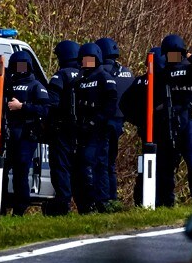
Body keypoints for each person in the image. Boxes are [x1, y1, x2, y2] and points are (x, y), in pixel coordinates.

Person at [155, 33, 192, 211]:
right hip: (171, 121)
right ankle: (168, 202)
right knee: (168, 165)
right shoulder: (163, 73)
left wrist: (189, 55)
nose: (172, 57)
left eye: (175, 53)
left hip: (188, 121)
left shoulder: (191, 67)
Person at [0, 49, 51, 215]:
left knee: (21, 172)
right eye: (16, 66)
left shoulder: (36, 86)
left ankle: (19, 209)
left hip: (26, 135)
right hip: (9, 133)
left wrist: (22, 107)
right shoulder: (7, 85)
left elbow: (44, 110)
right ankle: (0, 208)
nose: (19, 69)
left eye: (22, 65)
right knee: (3, 171)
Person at [71, 42, 117, 214]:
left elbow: (110, 104)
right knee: (83, 165)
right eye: (84, 59)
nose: (87, 62)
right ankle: (87, 203)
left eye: (90, 59)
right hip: (82, 128)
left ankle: (101, 201)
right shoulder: (80, 79)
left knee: (97, 164)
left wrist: (96, 121)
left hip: (99, 129)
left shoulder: (105, 77)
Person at [119, 46, 163, 205]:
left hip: (146, 131)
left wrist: (139, 120)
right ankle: (159, 200)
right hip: (162, 132)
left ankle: (141, 199)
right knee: (162, 167)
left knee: (146, 166)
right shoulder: (165, 81)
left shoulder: (138, 81)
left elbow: (124, 105)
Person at [94, 37, 134, 211]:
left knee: (100, 161)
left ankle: (103, 200)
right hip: (119, 122)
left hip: (102, 122)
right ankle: (113, 198)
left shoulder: (99, 72)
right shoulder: (127, 73)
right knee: (111, 163)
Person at [42, 39, 81, 216]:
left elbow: (51, 103)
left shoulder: (61, 75)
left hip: (63, 130)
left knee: (61, 168)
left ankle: (63, 205)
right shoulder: (86, 74)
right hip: (83, 130)